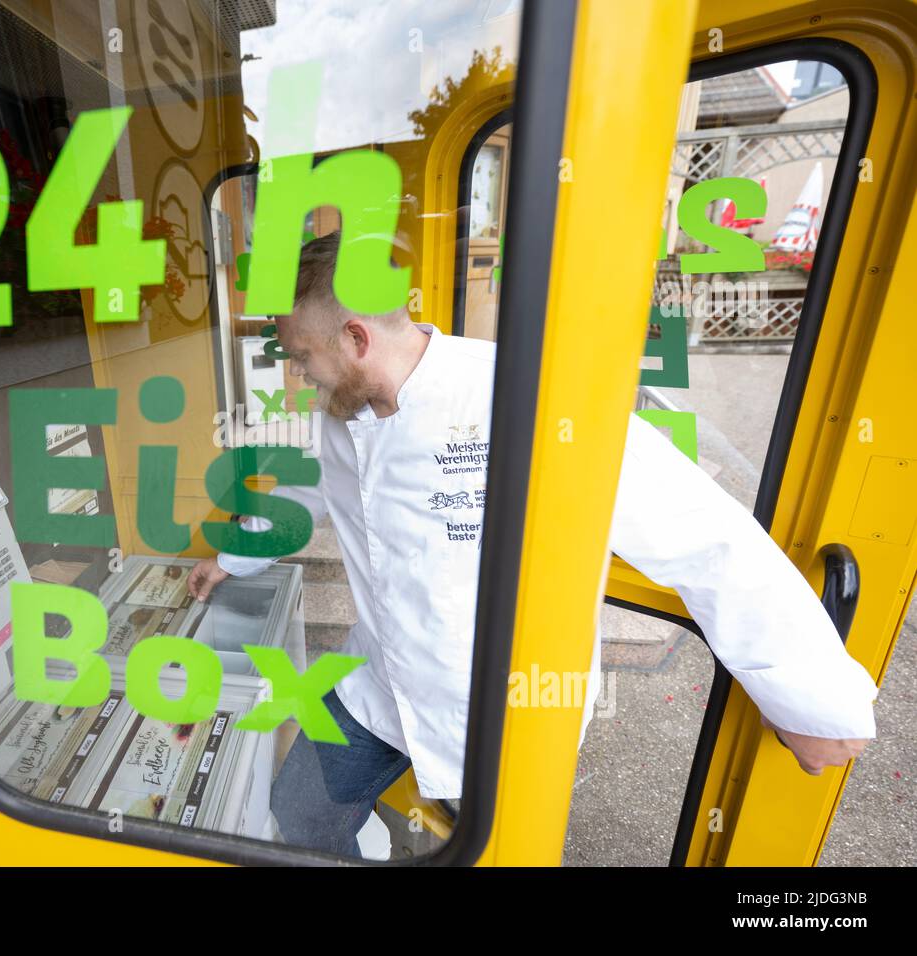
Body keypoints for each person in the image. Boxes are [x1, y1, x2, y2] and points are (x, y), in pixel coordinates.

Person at [186, 232, 878, 857]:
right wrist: (228, 559)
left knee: (479, 847)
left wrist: (812, 701)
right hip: (380, 675)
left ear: (357, 338)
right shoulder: (341, 413)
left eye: (304, 356)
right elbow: (308, 492)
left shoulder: (524, 400)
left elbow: (702, 535)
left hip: (496, 705)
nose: (299, 373)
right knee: (300, 810)